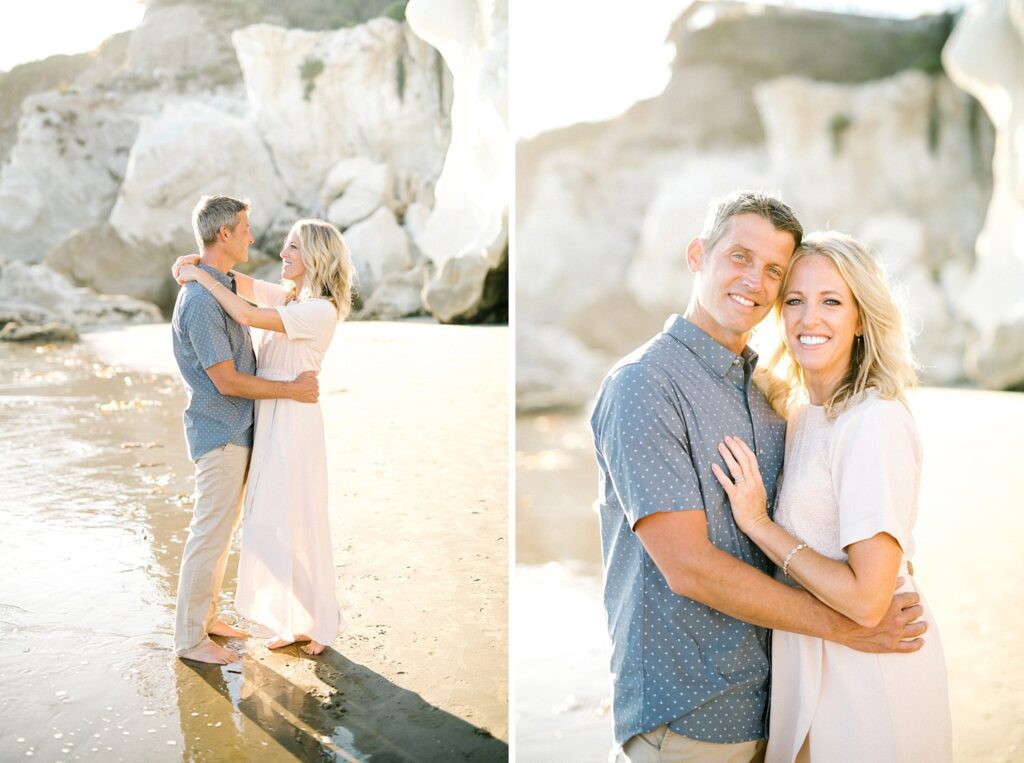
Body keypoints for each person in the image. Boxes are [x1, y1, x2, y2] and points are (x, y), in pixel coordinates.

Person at [590, 191, 928, 763]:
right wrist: (847, 628)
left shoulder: (771, 397)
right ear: (698, 255)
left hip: (783, 708)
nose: (756, 280)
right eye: (740, 256)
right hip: (689, 717)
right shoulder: (646, 385)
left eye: (774, 270)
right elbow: (690, 567)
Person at [713, 231, 952, 761]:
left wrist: (759, 525)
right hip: (813, 652)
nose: (808, 318)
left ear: (861, 318)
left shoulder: (874, 421)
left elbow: (870, 600)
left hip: (869, 667)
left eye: (831, 302)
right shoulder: (802, 413)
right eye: (795, 300)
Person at [175, 217, 354, 656]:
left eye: (292, 248)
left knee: (297, 518)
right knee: (271, 521)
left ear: (314, 255)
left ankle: (320, 620)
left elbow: (246, 312)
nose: (282, 253)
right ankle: (293, 620)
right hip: (269, 418)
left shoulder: (318, 310)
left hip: (292, 422)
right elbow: (241, 282)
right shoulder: (293, 297)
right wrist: (197, 262)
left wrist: (200, 275)